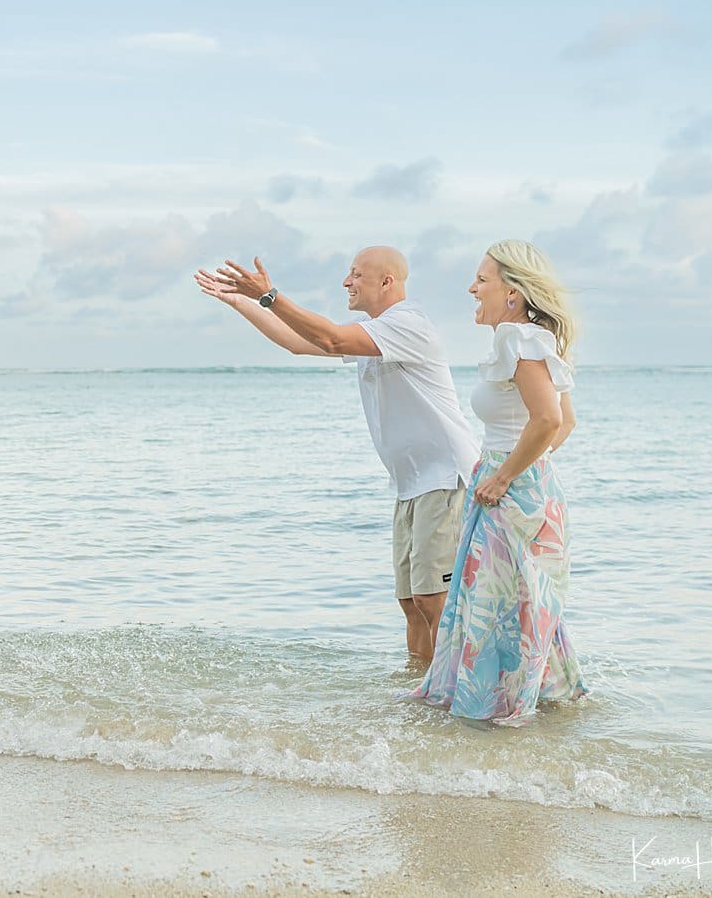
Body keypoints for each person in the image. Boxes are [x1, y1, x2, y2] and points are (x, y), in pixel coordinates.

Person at [196, 247, 479, 661]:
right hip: (410, 484)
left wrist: (269, 295)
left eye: (356, 274)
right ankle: (420, 696)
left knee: (434, 600)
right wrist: (239, 300)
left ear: (387, 282)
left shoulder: (408, 325)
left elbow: (329, 336)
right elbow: (300, 343)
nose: (346, 282)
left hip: (444, 478)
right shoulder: (375, 330)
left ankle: (454, 694)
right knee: (412, 604)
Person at [408, 240, 587, 724]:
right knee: (521, 603)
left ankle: (490, 716)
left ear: (512, 291)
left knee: (498, 606)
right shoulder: (531, 339)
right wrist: (525, 475)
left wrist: (505, 475)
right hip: (528, 487)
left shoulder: (518, 339)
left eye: (481, 280)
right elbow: (563, 423)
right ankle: (532, 711)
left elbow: (549, 420)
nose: (472, 287)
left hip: (510, 488)